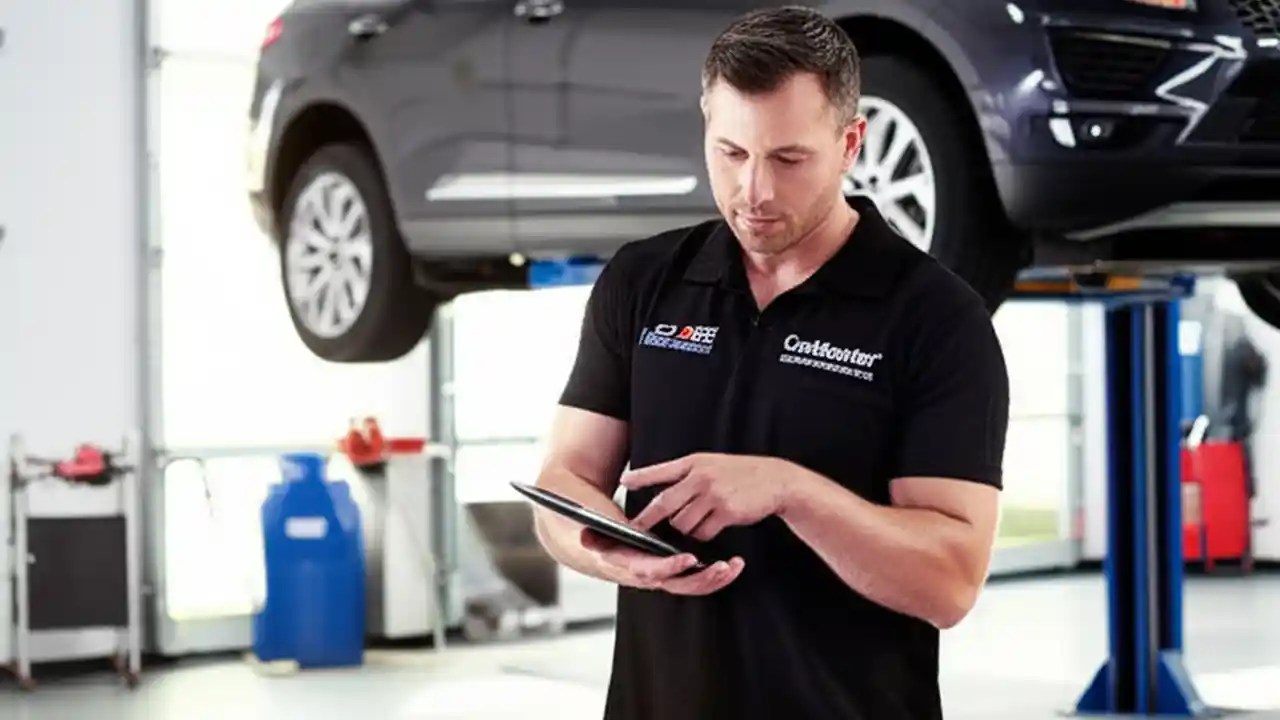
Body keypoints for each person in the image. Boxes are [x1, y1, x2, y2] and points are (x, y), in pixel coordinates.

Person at [529, 6, 1010, 719]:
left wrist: (792, 492)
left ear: (851, 144)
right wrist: (610, 551)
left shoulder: (937, 319)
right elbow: (565, 482)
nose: (753, 191)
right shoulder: (643, 280)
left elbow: (948, 585)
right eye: (730, 153)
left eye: (788, 159)